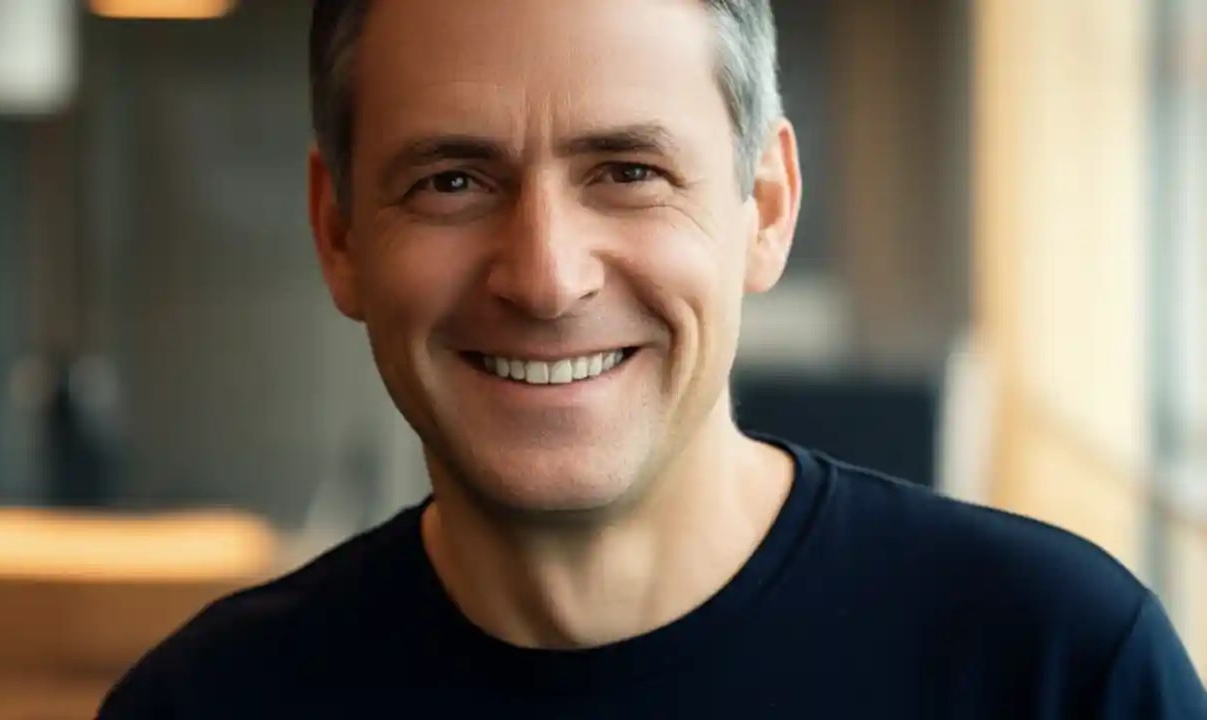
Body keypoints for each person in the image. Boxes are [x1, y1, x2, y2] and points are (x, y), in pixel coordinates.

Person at [99, 0, 1207, 716]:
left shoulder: (1057, 667)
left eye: (627, 172)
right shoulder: (202, 706)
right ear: (337, 232)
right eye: (453, 181)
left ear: (764, 207)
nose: (545, 277)